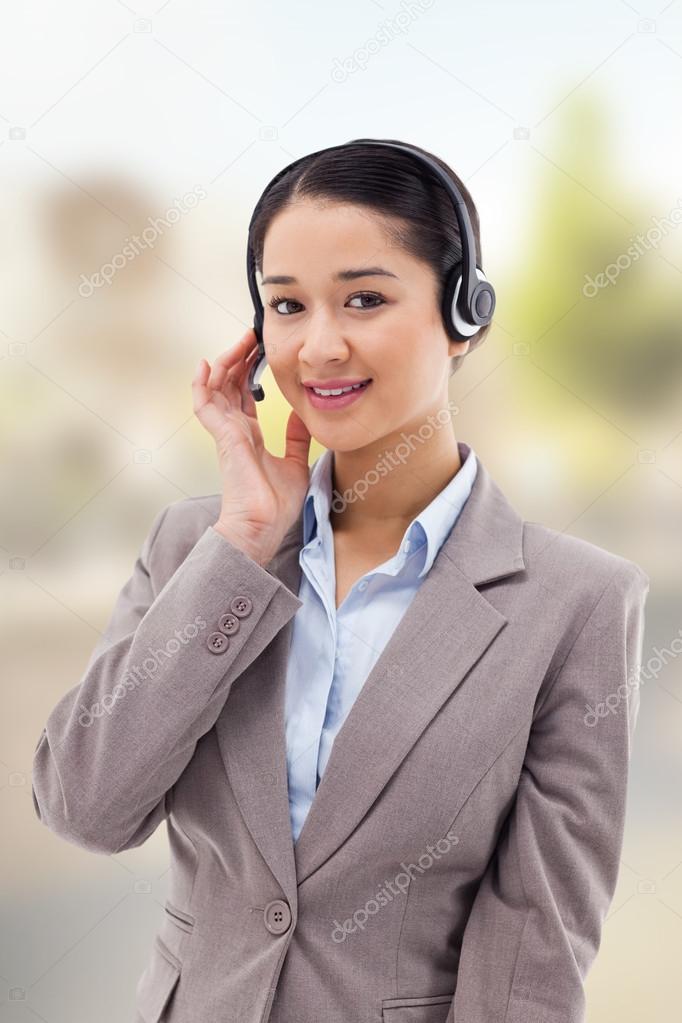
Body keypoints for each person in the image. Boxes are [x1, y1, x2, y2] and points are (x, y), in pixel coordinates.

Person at [32, 139, 650, 1023]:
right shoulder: (197, 549)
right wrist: (245, 547)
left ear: (463, 313)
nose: (320, 345)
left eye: (365, 298)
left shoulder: (576, 603)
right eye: (287, 305)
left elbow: (532, 963)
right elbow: (85, 808)